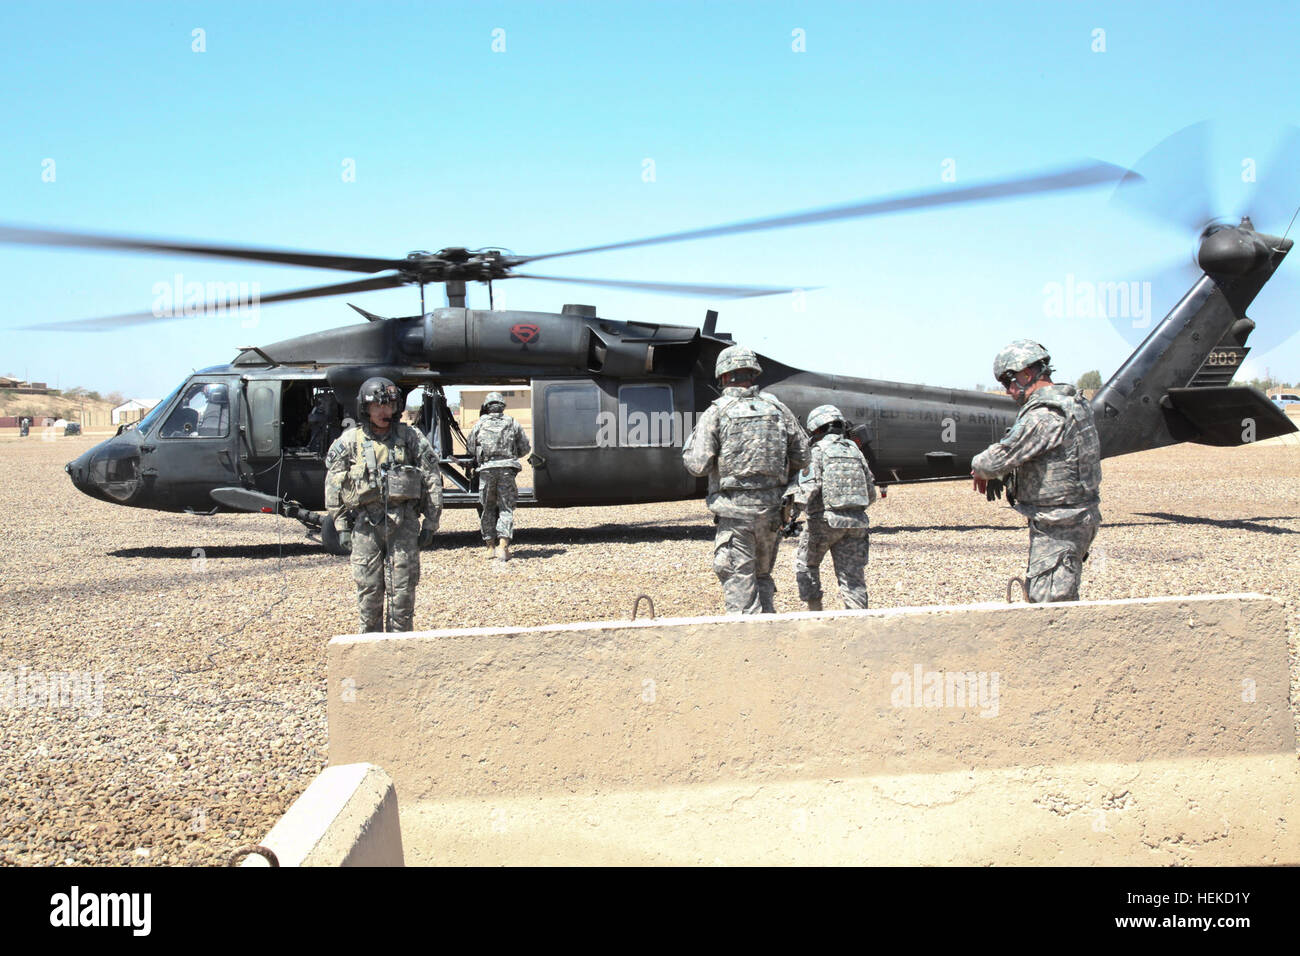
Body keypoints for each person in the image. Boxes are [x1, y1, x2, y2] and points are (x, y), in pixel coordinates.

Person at [971, 339, 1102, 603]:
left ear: (1026, 374)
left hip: (1059, 525)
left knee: (1050, 608)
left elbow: (991, 461)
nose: (1008, 391)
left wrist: (980, 469)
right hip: (1073, 518)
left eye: (1008, 381)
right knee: (1056, 597)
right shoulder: (1073, 403)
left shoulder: (1044, 415)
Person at [683, 345, 809, 614]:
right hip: (771, 513)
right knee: (762, 577)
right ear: (753, 374)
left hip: (735, 516)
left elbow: (697, 465)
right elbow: (803, 454)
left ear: (724, 377)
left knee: (739, 580)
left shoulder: (716, 412)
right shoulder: (778, 409)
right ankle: (768, 641)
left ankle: (749, 648)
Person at [325, 377, 442, 632]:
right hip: (366, 525)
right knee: (369, 591)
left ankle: (400, 650)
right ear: (364, 409)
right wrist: (341, 525)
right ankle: (371, 647)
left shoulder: (411, 437)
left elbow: (432, 478)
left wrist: (431, 523)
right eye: (376, 406)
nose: (383, 411)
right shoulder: (349, 441)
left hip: (404, 524)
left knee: (402, 592)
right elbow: (334, 484)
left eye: (388, 405)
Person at [788, 404, 876, 611]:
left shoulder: (817, 452)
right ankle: (858, 620)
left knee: (806, 565)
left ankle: (815, 611)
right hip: (857, 523)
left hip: (824, 523)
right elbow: (870, 493)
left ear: (816, 429)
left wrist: (788, 516)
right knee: (852, 577)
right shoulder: (855, 452)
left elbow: (807, 490)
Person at [465, 391, 531, 561]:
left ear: (486, 407)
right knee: (505, 508)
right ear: (502, 405)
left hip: (486, 471)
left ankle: (489, 547)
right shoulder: (512, 423)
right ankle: (503, 547)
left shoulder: (479, 424)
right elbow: (525, 448)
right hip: (507, 471)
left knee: (487, 508)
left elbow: (470, 448)